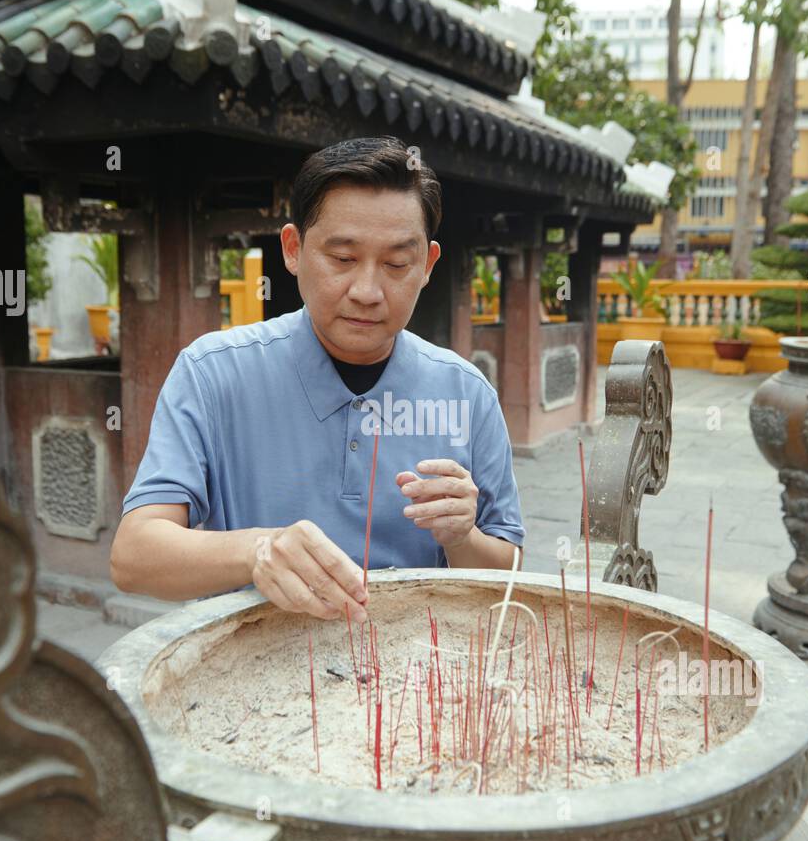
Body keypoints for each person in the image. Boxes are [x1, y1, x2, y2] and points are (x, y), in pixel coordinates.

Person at [110, 136, 524, 624]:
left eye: (396, 264)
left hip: (411, 670)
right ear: (293, 249)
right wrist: (258, 551)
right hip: (257, 673)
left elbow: (512, 577)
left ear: (428, 265)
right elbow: (133, 556)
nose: (367, 291)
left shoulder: (465, 392)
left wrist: (463, 538)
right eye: (343, 259)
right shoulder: (213, 374)